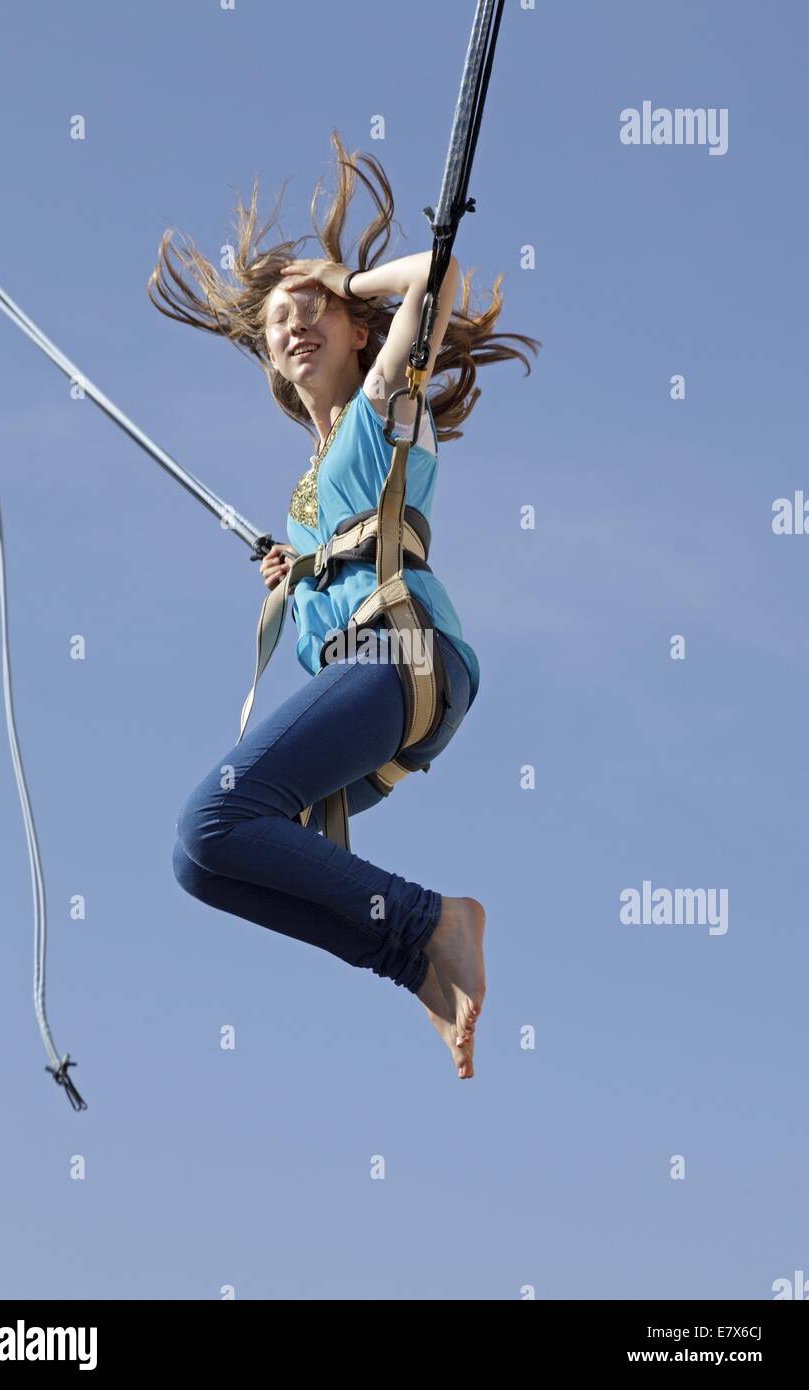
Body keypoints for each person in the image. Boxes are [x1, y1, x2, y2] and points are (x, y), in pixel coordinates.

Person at [148, 132, 540, 1079]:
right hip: (374, 685)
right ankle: (412, 956)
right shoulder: (308, 490)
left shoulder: (386, 412)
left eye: (315, 308)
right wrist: (305, 582)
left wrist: (343, 277)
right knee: (203, 861)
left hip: (403, 659)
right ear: (272, 364)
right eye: (280, 320)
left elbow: (437, 279)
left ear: (362, 329)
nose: (296, 324)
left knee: (214, 820)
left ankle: (432, 925)